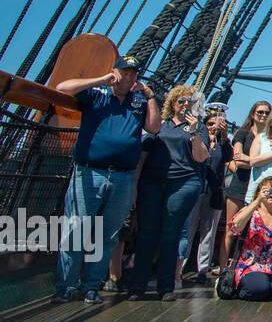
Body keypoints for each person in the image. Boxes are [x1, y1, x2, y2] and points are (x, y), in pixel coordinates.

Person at [53, 55, 161, 304]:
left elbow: (154, 128)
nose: (130, 77)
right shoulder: (96, 95)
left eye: (134, 73)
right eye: (125, 72)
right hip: (90, 172)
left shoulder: (139, 102)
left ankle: (92, 286)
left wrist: (150, 96)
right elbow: (61, 88)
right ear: (115, 72)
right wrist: (101, 79)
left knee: (107, 235)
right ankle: (67, 286)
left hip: (123, 177)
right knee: (76, 230)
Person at [128, 85, 209, 301]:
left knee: (170, 233)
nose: (185, 105)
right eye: (181, 101)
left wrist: (194, 133)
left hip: (183, 183)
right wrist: (135, 184)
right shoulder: (159, 126)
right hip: (153, 182)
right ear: (172, 104)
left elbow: (201, 157)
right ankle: (137, 286)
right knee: (147, 233)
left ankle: (166, 287)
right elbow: (143, 155)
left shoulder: (198, 128)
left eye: (190, 102)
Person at [229, 177, 272, 301]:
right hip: (251, 264)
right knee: (259, 288)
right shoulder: (250, 212)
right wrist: (257, 200)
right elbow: (236, 226)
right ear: (259, 192)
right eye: (268, 191)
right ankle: (249, 289)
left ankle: (265, 290)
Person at [189, 107, 234, 285]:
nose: (212, 128)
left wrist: (223, 138)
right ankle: (182, 265)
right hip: (196, 189)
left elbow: (228, 157)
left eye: (216, 125)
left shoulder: (222, 145)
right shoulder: (199, 140)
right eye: (209, 124)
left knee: (209, 231)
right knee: (189, 229)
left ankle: (202, 269)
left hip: (214, 191)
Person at [225, 101, 270, 269]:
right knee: (232, 228)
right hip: (240, 184)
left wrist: (250, 160)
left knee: (254, 229)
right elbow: (237, 160)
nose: (263, 115)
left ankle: (245, 264)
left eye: (267, 113)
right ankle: (224, 268)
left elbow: (245, 160)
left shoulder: (270, 137)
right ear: (253, 114)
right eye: (260, 112)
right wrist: (262, 161)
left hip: (258, 186)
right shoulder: (243, 133)